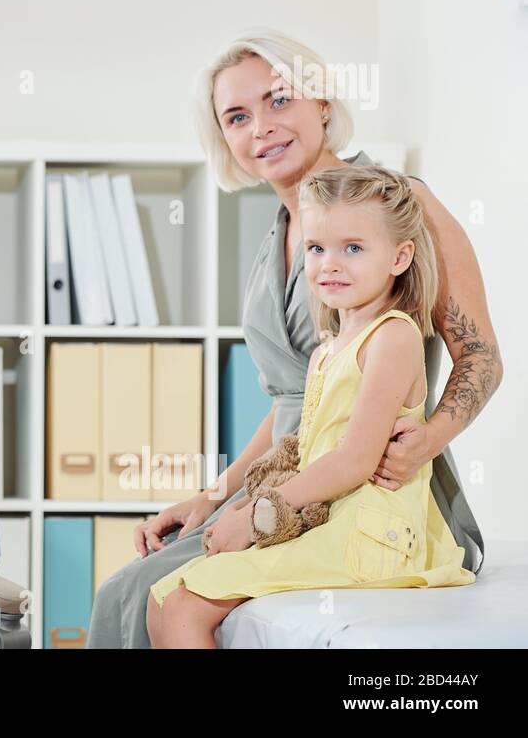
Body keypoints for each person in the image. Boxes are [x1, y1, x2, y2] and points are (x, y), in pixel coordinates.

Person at [89, 28, 501, 648]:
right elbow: (292, 404)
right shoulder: (282, 239)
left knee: (150, 596)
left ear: (324, 106)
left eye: (279, 100)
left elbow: (482, 357)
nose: (261, 127)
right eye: (237, 116)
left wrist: (429, 438)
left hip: (371, 493)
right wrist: (214, 495)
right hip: (284, 485)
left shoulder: (397, 206)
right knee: (123, 589)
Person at [146, 165, 476, 646]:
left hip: (373, 533)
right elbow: (301, 447)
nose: (330, 264)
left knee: (184, 605)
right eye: (317, 249)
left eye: (354, 248)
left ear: (400, 256)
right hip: (334, 516)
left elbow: (353, 461)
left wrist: (256, 515)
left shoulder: (393, 337)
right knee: (163, 597)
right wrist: (229, 501)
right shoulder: (326, 349)